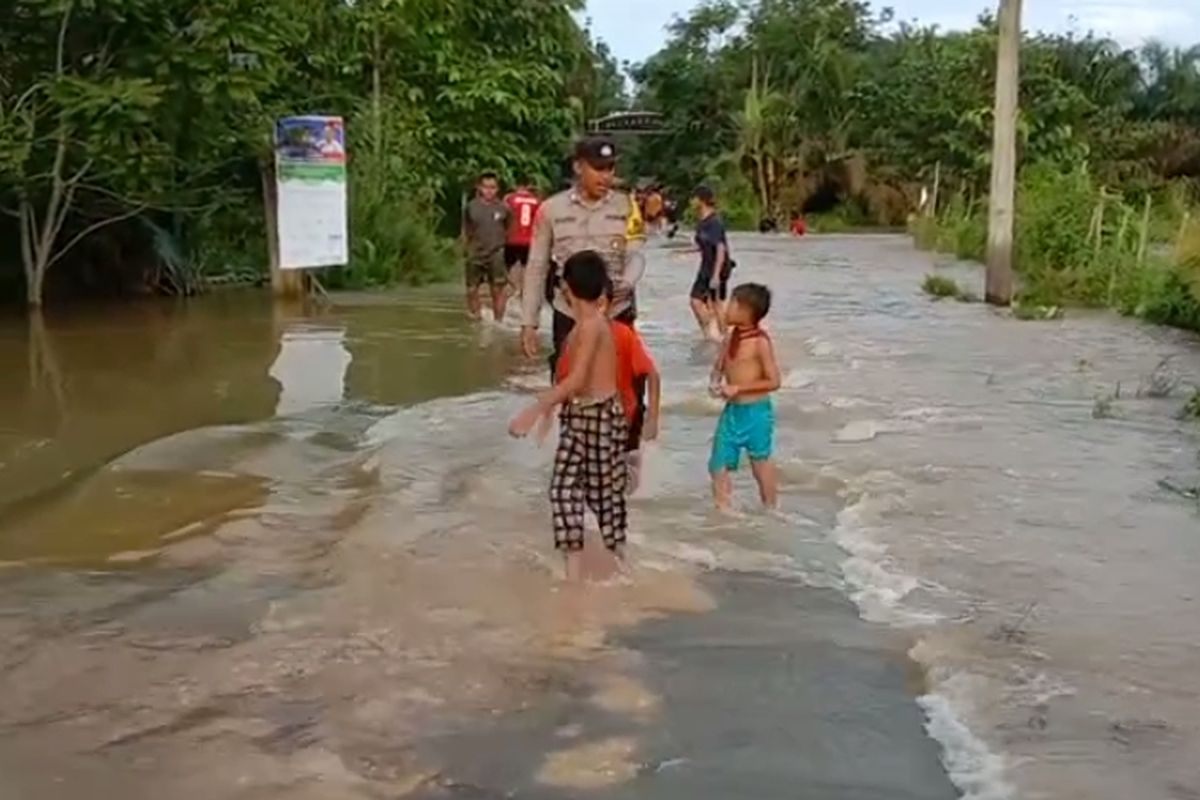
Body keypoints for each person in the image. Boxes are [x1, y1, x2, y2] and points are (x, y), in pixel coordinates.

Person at [509, 251, 630, 580]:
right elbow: (569, 381)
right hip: (579, 417)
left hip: (600, 418)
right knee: (563, 491)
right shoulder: (581, 329)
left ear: (566, 287)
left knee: (604, 498)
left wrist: (534, 410)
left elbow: (577, 380)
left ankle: (621, 566)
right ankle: (573, 573)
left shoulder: (592, 326)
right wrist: (552, 408)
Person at [521, 136, 646, 381]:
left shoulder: (628, 207)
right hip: (569, 315)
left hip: (616, 313)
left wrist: (625, 285)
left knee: (625, 388)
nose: (606, 176)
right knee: (568, 387)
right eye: (598, 168)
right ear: (578, 167)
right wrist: (529, 322)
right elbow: (536, 266)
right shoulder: (550, 210)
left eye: (610, 168)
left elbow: (636, 255)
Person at [557, 279, 661, 493]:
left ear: (604, 305)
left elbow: (652, 375)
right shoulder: (574, 339)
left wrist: (652, 418)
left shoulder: (623, 335)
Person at [709, 283, 781, 511]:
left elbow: (774, 381)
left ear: (746, 311)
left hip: (756, 413)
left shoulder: (760, 342)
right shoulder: (730, 337)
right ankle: (724, 512)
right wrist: (715, 379)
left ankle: (771, 509)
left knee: (760, 464)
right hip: (733, 413)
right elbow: (720, 365)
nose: (727, 308)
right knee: (718, 464)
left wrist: (739, 388)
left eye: (732, 303)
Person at [462, 171, 512, 321]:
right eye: (486, 187)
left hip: (496, 252)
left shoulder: (504, 208)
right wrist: (466, 248)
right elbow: (466, 228)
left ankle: (498, 321)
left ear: (497, 189)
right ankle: (476, 317)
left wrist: (503, 246)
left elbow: (509, 227)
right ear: (479, 188)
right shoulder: (471, 207)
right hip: (475, 251)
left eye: (493, 188)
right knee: (471, 289)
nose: (489, 191)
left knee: (497, 289)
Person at [690, 185, 735, 341]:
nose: (691, 202)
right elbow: (702, 245)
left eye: (694, 198)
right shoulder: (701, 221)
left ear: (701, 200)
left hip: (717, 267)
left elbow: (720, 249)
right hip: (706, 266)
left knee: (714, 304)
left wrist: (716, 275)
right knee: (700, 302)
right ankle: (711, 334)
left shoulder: (714, 222)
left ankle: (722, 337)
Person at [504, 179, 542, 303]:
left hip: (512, 238)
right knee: (526, 267)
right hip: (529, 239)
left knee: (510, 266)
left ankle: (515, 288)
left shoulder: (510, 199)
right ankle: (524, 292)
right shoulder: (536, 201)